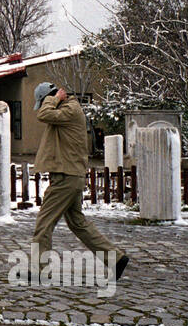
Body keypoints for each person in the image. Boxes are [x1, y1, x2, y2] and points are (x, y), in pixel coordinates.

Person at [30, 81, 129, 280]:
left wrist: (54, 98)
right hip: (70, 175)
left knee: (44, 222)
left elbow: (43, 115)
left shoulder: (70, 110)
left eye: (44, 101)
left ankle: (39, 270)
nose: (43, 106)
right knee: (78, 222)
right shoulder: (68, 111)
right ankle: (115, 258)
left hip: (66, 177)